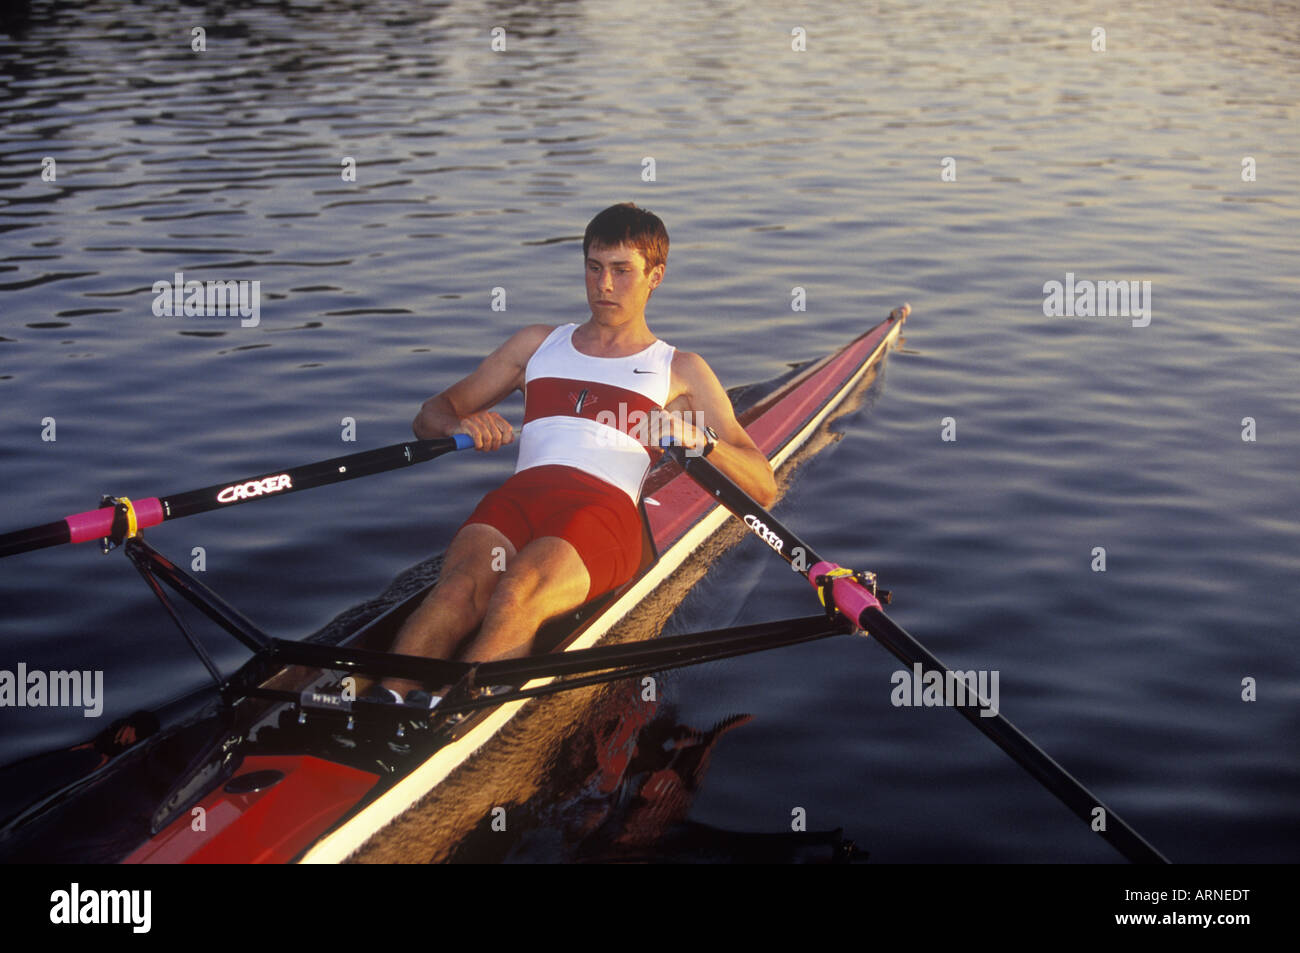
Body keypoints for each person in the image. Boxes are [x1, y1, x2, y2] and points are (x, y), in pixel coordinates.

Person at [378, 204, 775, 703]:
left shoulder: (681, 369)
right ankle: (386, 700)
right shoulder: (536, 344)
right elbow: (431, 413)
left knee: (517, 588)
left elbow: (762, 483)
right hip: (520, 497)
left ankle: (452, 716)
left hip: (602, 513)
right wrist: (458, 423)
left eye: (621, 270)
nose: (603, 285)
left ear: (656, 276)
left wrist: (704, 442)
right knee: (457, 588)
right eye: (594, 267)